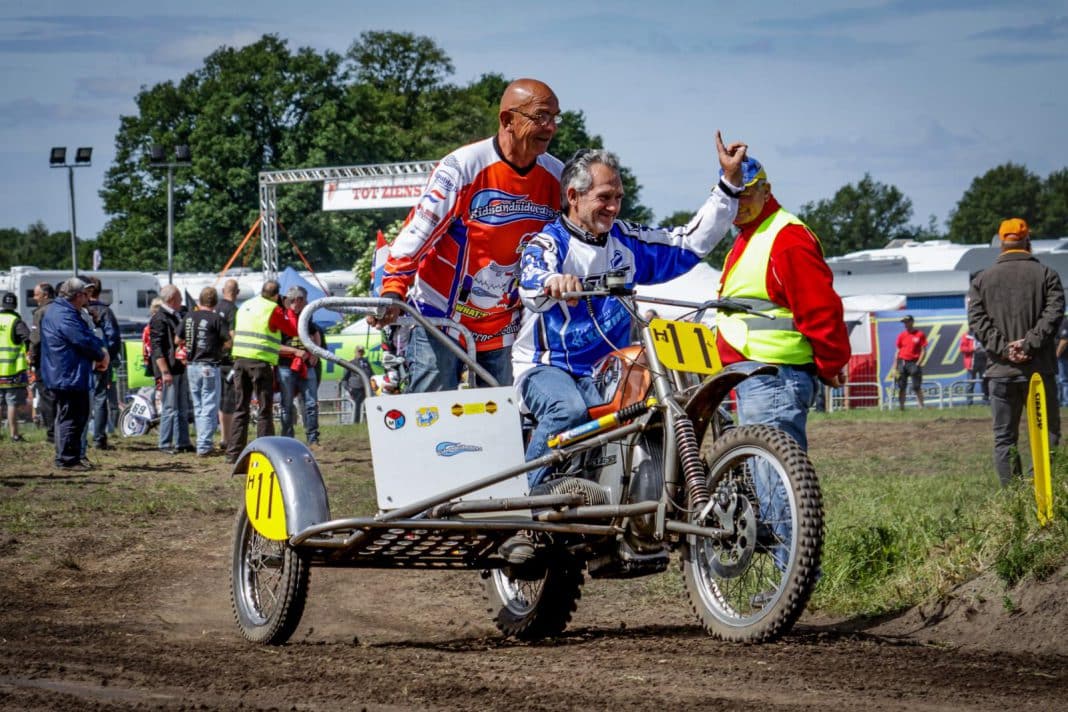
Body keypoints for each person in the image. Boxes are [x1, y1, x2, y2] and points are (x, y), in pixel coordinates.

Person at [506, 135, 747, 564]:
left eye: (618, 197)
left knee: (666, 404)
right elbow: (530, 283)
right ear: (574, 196)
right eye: (604, 197)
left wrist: (728, 185)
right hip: (549, 366)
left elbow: (689, 243)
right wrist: (552, 283)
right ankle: (523, 514)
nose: (614, 207)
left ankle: (647, 509)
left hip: (610, 365)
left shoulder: (626, 242)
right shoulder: (549, 243)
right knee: (567, 412)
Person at [370, 78, 564, 391]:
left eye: (555, 118)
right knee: (431, 415)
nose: (550, 127)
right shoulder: (462, 167)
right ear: (507, 120)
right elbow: (418, 231)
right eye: (540, 117)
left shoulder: (556, 176)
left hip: (505, 324)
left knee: (505, 420)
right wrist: (393, 287)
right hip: (441, 317)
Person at [714, 154, 851, 572]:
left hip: (773, 376)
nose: (737, 203)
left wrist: (830, 362)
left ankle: (794, 577)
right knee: (766, 474)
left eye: (746, 193)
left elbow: (820, 309)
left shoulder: (786, 237)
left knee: (776, 481)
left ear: (765, 190)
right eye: (732, 195)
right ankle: (790, 577)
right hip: (758, 375)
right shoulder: (751, 235)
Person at [967, 218, 1064, 486]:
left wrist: (1005, 349)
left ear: (1000, 242)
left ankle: (1013, 499)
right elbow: (1054, 314)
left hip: (1001, 371)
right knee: (1047, 434)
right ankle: (1042, 489)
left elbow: (978, 321)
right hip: (1039, 370)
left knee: (1004, 438)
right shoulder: (1047, 275)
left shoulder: (981, 280)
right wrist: (1029, 344)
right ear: (1027, 239)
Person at [225, 280, 304, 463]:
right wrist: (286, 309)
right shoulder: (272, 309)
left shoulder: (246, 305)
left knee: (240, 408)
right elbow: (292, 330)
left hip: (239, 361)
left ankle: (233, 453)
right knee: (264, 409)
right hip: (259, 363)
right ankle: (266, 451)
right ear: (277, 295)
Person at [40, 278, 108, 471]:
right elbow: (82, 339)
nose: (87, 297)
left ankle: (70, 456)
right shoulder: (65, 315)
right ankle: (68, 458)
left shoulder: (61, 311)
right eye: (85, 294)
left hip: (65, 371)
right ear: (77, 295)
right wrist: (101, 354)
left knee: (72, 415)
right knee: (73, 416)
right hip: (68, 373)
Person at [180, 286, 231, 456]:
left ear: (200, 300)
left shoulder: (189, 316)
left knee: (198, 406)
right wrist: (220, 349)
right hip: (209, 365)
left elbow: (176, 338)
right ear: (215, 302)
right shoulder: (217, 318)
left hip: (192, 365)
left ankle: (202, 442)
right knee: (209, 406)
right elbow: (228, 342)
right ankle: (204, 445)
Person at [151, 284, 193, 455]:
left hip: (180, 367)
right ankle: (164, 443)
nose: (182, 301)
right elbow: (157, 348)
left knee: (182, 407)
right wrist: (164, 372)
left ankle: (183, 442)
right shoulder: (159, 318)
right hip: (169, 369)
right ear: (171, 300)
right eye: (179, 298)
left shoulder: (177, 315)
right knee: (169, 408)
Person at [277, 286, 321, 446]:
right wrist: (295, 352)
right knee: (286, 404)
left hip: (307, 366)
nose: (296, 302)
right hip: (285, 367)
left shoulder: (306, 315)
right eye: (292, 299)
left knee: (311, 403)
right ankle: (288, 439)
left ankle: (313, 439)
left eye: (300, 299)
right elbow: (275, 345)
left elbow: (315, 332)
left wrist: (315, 351)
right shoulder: (280, 317)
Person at [84, 276, 122, 450]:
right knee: (100, 398)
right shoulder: (105, 311)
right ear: (99, 291)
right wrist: (109, 357)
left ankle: (81, 437)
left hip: (82, 361)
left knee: (82, 399)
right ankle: (99, 438)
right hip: (101, 360)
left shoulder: (79, 310)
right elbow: (113, 337)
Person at [0, 291, 32, 442]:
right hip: (11, 370)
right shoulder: (16, 322)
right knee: (12, 402)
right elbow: (28, 339)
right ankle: (14, 435)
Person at [28, 282, 56, 443]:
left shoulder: (41, 312)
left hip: (44, 362)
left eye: (36, 294)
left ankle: (52, 434)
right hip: (59, 360)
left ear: (45, 295)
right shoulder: (60, 308)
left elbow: (36, 339)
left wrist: (32, 356)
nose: (34, 297)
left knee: (46, 397)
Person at [215, 278, 240, 448]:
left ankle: (223, 435)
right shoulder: (234, 310)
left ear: (223, 290)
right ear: (237, 293)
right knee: (229, 400)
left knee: (220, 399)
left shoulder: (215, 308)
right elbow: (233, 335)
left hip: (214, 359)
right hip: (229, 361)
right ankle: (227, 438)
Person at [893, 315, 928, 410]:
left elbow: (924, 350)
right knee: (901, 386)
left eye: (907, 322)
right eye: (904, 322)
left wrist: (918, 363)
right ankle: (902, 408)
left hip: (914, 363)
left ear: (912, 322)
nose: (905, 324)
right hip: (902, 362)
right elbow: (897, 351)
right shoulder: (902, 335)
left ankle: (921, 407)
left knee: (916, 386)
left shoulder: (920, 334)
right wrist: (894, 367)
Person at [341, 346, 373, 423]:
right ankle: (356, 423)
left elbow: (371, 374)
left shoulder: (366, 363)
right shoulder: (351, 363)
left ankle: (367, 423)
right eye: (359, 351)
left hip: (366, 388)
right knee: (357, 406)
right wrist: (349, 389)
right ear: (355, 352)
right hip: (355, 388)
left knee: (367, 407)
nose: (360, 353)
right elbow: (344, 379)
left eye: (362, 352)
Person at [960, 331, 989, 405]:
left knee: (984, 382)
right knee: (970, 383)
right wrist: (972, 348)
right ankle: (969, 402)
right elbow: (962, 348)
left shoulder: (985, 334)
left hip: (983, 363)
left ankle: (985, 401)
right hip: (971, 364)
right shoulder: (966, 336)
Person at [1056, 319, 1068, 405]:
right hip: (1060, 357)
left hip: (1063, 357)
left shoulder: (1064, 322)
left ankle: (1065, 402)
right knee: (1059, 381)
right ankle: (1060, 401)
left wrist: (1057, 354)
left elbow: (1064, 340)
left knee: (1063, 380)